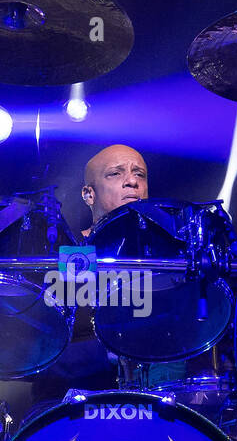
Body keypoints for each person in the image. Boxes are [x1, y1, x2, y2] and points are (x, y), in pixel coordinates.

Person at [26, 145, 151, 411]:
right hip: (73, 408)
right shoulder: (75, 254)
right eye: (116, 174)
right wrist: (112, 356)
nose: (132, 181)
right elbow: (43, 352)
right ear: (88, 194)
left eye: (140, 174)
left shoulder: (163, 255)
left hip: (154, 405)